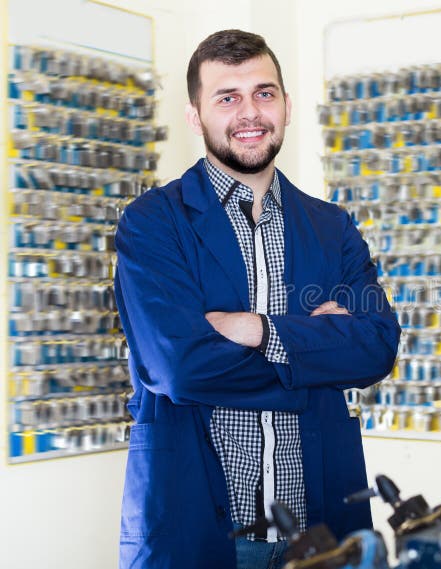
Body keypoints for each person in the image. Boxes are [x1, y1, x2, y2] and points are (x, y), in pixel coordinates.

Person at [114, 29, 400, 569]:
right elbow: (179, 368)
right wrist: (316, 356)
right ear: (195, 116)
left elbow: (378, 346)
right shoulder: (153, 223)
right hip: (197, 526)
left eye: (264, 93)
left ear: (286, 105)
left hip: (319, 528)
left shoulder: (332, 226)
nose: (250, 112)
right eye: (227, 98)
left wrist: (259, 330)